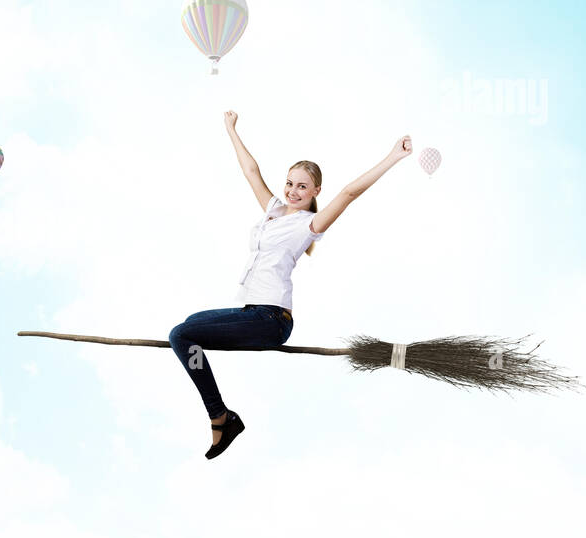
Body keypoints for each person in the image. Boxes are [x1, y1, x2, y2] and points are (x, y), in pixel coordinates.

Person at [169, 110, 413, 459]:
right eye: (290, 183)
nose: (293, 191)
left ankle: (220, 417)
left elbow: (348, 193)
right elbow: (251, 171)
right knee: (189, 330)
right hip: (252, 313)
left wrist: (392, 157)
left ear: (315, 191)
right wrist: (230, 129)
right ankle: (222, 415)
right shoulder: (272, 210)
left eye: (302, 186)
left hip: (272, 320)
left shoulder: (308, 224)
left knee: (181, 334)